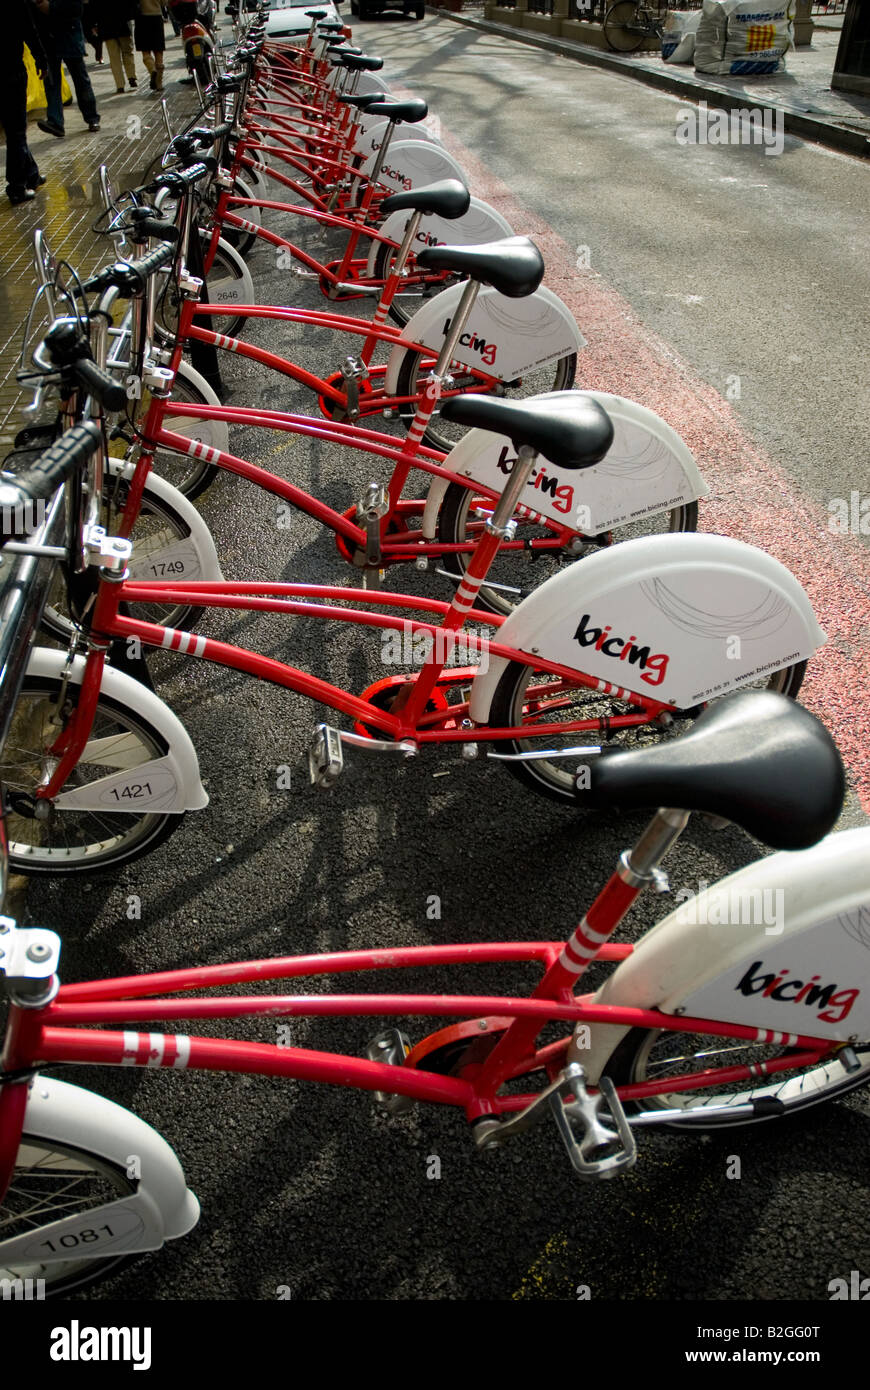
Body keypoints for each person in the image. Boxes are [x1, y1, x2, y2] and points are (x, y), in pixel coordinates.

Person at [1, 0, 48, 205]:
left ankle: (31, 174)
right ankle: (17, 187)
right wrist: (41, 57)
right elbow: (28, 27)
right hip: (10, 69)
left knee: (14, 129)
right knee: (16, 130)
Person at [30, 0, 101, 137]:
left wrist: (51, 8)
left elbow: (76, 8)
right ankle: (55, 122)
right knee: (52, 82)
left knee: (80, 80)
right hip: (48, 41)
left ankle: (92, 118)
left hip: (70, 36)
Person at [90, 0, 138, 92]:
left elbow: (93, 7)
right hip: (122, 24)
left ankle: (120, 85)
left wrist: (94, 24)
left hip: (106, 26)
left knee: (114, 57)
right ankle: (132, 77)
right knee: (128, 52)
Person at [134, 0, 166, 91]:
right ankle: (159, 83)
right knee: (158, 50)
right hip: (156, 17)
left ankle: (152, 69)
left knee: (145, 50)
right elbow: (164, 3)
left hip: (141, 19)